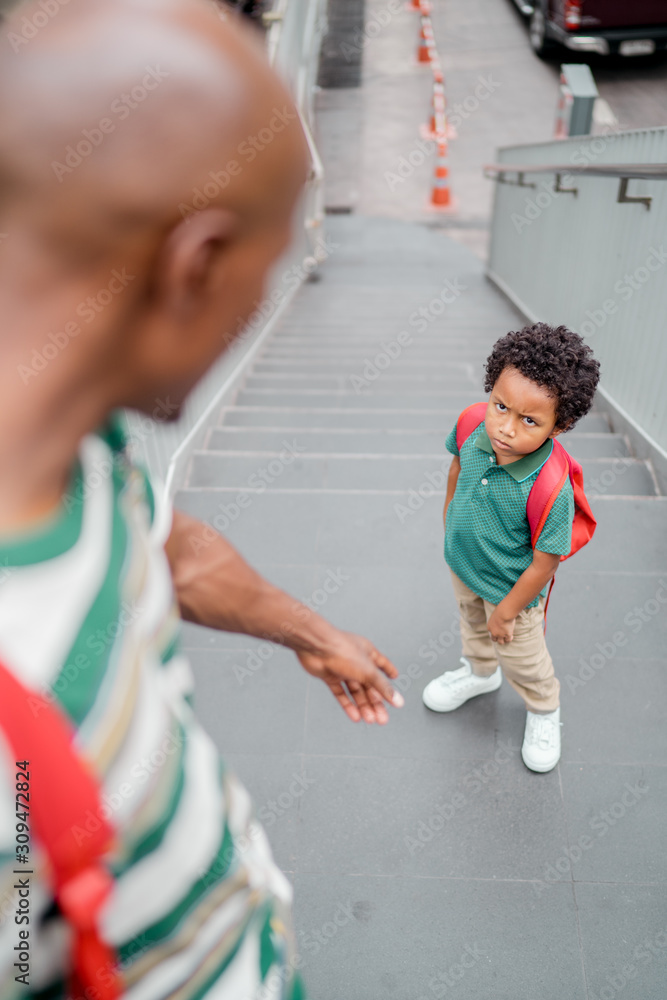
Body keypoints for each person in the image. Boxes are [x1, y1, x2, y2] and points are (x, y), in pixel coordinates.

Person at [0, 1, 403, 997]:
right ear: (197, 266)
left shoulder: (74, 437)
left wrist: (313, 634)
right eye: (261, 277)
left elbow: (166, 548)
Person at [422, 324, 600, 772]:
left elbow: (545, 563)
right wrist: (449, 525)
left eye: (529, 420)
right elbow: (456, 470)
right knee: (471, 625)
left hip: (512, 592)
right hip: (464, 565)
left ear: (560, 425)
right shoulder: (470, 425)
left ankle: (544, 708)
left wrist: (505, 612)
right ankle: (480, 672)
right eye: (500, 406)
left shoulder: (549, 487)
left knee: (523, 657)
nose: (505, 427)